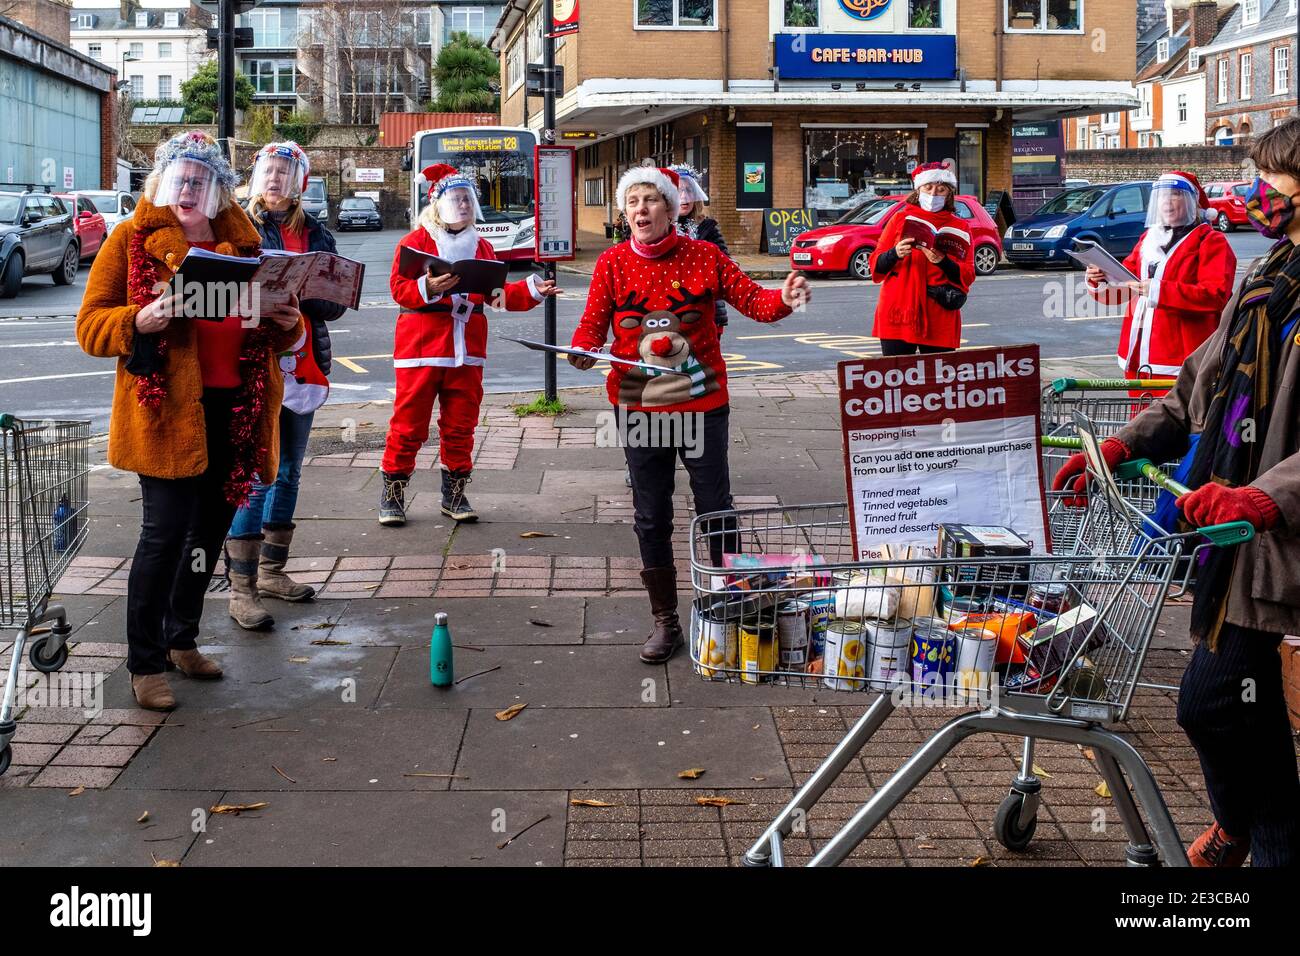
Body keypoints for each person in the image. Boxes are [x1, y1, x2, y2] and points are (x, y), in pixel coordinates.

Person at [1053, 119, 1300, 867]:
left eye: (1282, 186)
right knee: (1218, 704)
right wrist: (1128, 440)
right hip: (1247, 548)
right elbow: (1201, 381)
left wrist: (1265, 497)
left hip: (1275, 530)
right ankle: (1251, 831)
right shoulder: (1271, 280)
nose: (1264, 199)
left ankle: (1262, 842)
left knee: (1223, 700)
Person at [76, 131, 303, 711]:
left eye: (201, 180)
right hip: (167, 416)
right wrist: (140, 319)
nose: (189, 188)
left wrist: (289, 320)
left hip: (238, 411)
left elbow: (279, 339)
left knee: (206, 538)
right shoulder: (131, 238)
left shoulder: (247, 245)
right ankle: (144, 662)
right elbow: (90, 328)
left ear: (221, 191)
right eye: (180, 178)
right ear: (160, 183)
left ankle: (182, 639)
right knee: (163, 538)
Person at [568, 165, 810, 663]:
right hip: (639, 402)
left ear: (673, 207)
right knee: (650, 515)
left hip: (703, 402)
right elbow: (591, 326)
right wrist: (580, 349)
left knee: (715, 509)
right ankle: (666, 621)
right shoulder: (612, 263)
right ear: (623, 211)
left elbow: (756, 303)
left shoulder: (705, 256)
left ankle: (724, 608)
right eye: (632, 201)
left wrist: (784, 299)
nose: (641, 209)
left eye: (651, 200)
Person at [379, 164, 559, 526]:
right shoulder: (414, 243)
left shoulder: (483, 245)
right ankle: (393, 493)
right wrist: (428, 288)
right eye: (456, 198)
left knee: (462, 424)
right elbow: (398, 289)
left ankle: (454, 494)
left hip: (468, 349)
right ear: (437, 204)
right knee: (409, 424)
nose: (463, 204)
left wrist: (530, 291)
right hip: (421, 348)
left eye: (467, 199)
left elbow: (496, 295)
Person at [224, 141, 345, 630]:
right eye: (268, 171)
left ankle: (273, 571)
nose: (275, 179)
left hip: (303, 363)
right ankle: (241, 589)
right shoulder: (236, 225)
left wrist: (302, 297)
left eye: (284, 172)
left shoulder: (317, 233)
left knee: (290, 468)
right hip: (252, 361)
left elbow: (335, 303)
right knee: (257, 471)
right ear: (254, 177)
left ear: (301, 183)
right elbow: (221, 290)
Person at [1084, 171, 1236, 386]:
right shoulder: (1149, 239)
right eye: (1162, 196)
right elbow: (1125, 284)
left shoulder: (1211, 242)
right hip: (1137, 353)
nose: (1166, 202)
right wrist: (1099, 279)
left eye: (1175, 194)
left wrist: (1157, 290)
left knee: (1174, 418)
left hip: (1182, 356)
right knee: (1139, 416)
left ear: (1193, 202)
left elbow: (1215, 295)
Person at [868, 160, 976, 356]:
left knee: (938, 378)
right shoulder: (899, 219)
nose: (934, 193)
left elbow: (968, 274)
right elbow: (875, 265)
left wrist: (942, 261)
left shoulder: (961, 227)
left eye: (941, 189)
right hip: (899, 311)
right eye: (928, 187)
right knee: (897, 376)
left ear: (949, 193)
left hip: (939, 311)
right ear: (918, 190)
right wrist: (895, 253)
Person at [671, 164, 729, 334]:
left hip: (707, 312)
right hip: (671, 313)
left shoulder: (707, 227)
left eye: (689, 190)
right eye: (678, 190)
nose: (684, 196)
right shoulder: (658, 228)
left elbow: (726, 267)